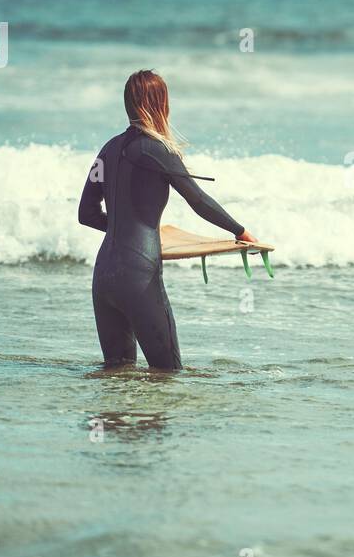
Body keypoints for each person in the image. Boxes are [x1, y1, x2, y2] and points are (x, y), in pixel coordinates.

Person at [78, 70, 257, 369]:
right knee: (167, 374)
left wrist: (126, 231)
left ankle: (110, 419)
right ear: (161, 104)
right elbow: (197, 200)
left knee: (116, 374)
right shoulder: (158, 149)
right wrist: (240, 231)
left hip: (104, 277)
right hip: (139, 277)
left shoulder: (107, 150)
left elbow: (87, 214)